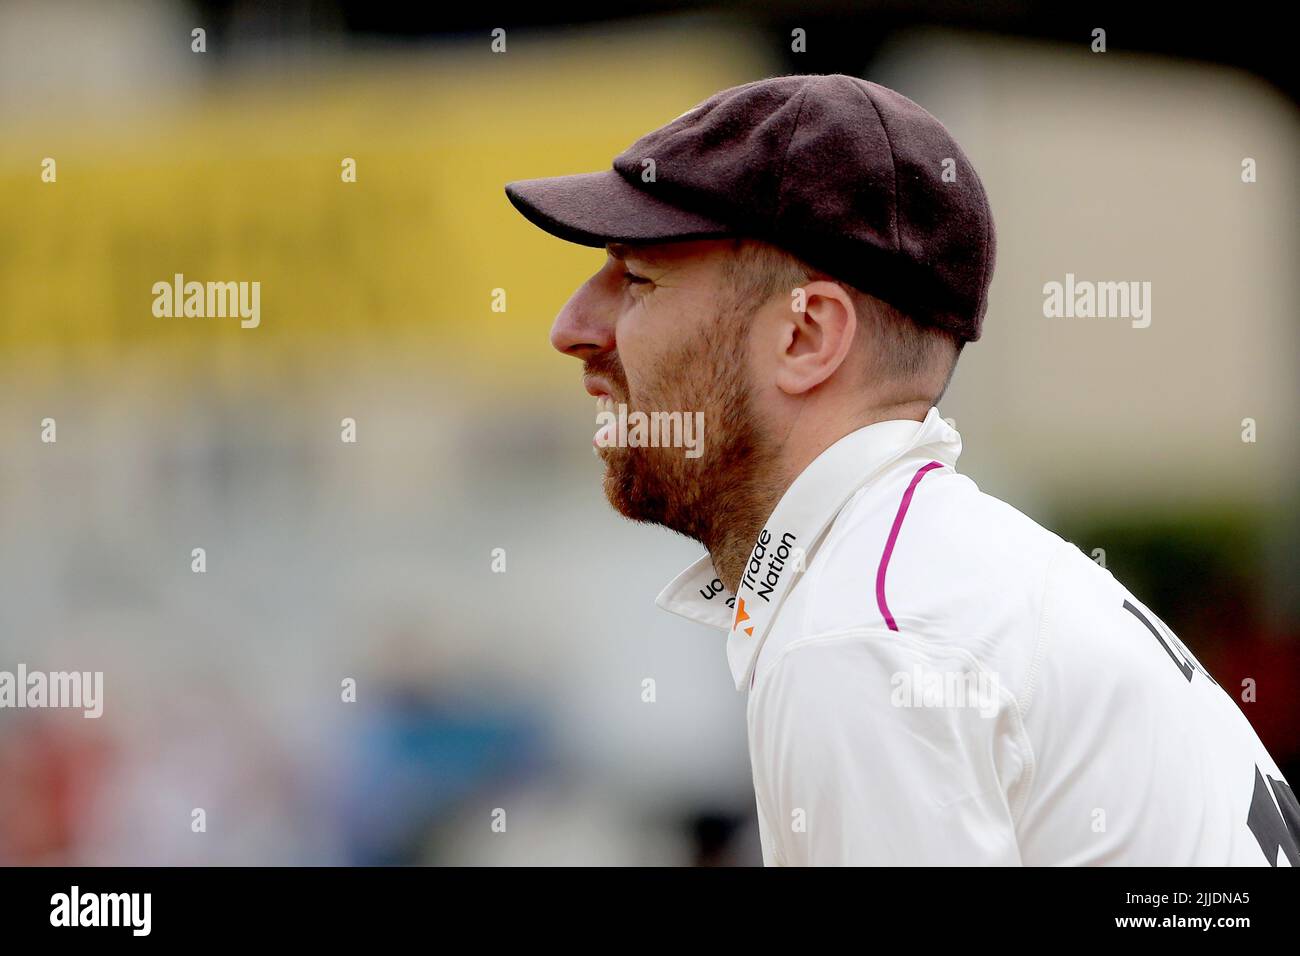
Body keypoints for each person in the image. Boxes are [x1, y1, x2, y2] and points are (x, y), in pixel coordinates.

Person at [504, 74, 1297, 865]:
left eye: (638, 279)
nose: (570, 328)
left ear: (805, 336)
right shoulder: (925, 578)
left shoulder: (862, 635)